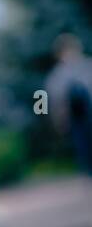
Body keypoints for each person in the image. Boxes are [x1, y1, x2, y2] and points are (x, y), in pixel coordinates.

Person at [46, 34, 92, 175]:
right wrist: (58, 119)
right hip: (77, 119)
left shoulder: (88, 66)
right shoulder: (57, 75)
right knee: (84, 148)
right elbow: (53, 99)